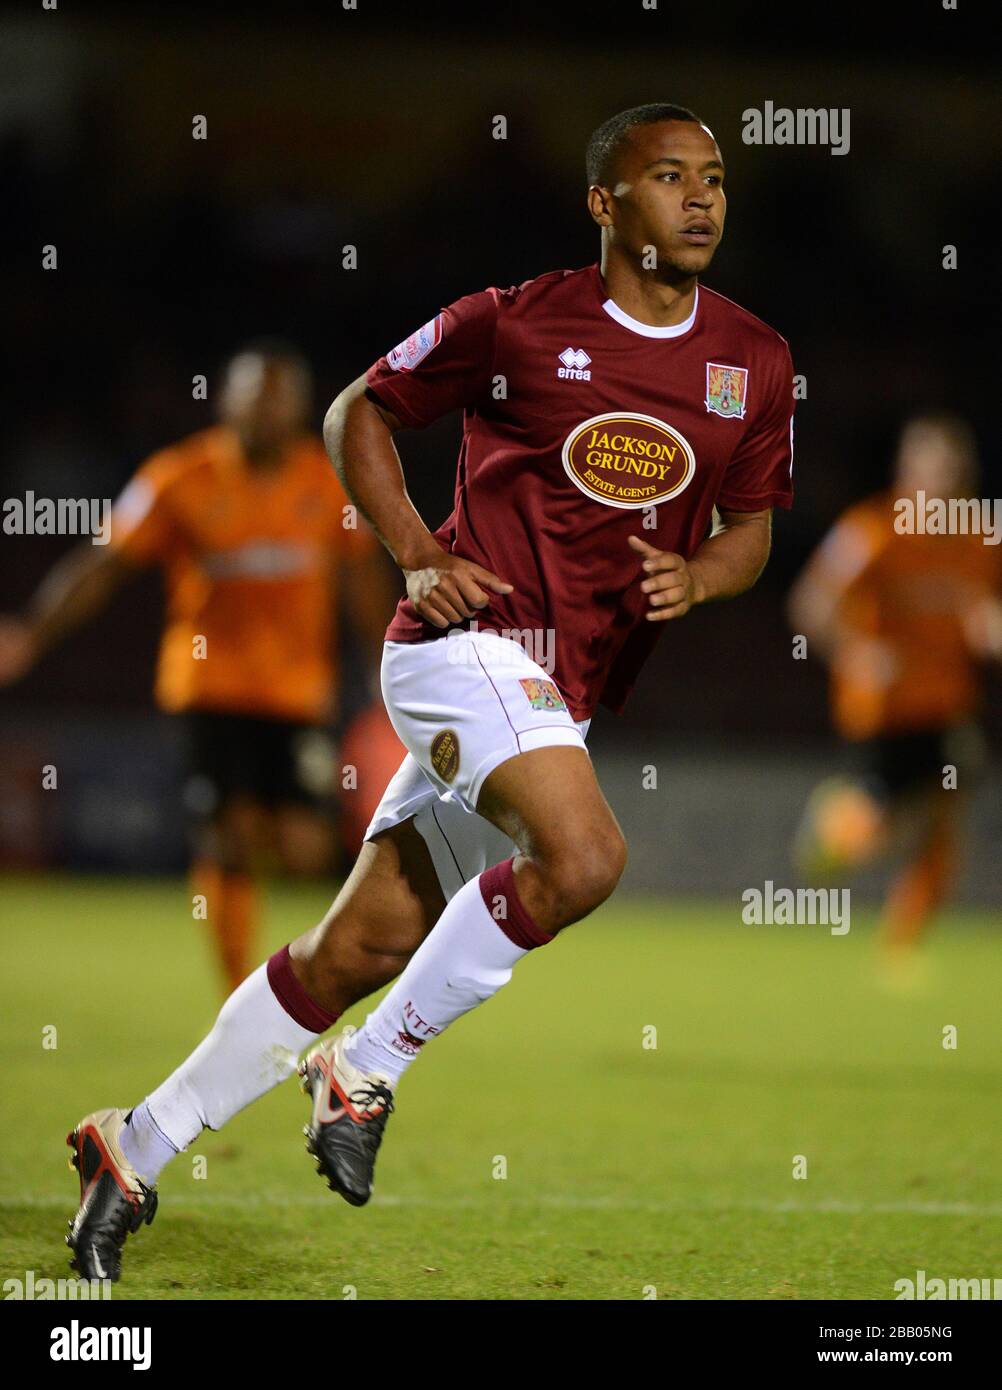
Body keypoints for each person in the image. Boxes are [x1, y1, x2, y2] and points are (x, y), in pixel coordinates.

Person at [61, 104, 796, 1282]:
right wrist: (413, 549)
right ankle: (368, 1068)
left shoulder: (754, 361)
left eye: (714, 178)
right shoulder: (513, 321)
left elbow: (754, 529)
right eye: (670, 179)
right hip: (463, 648)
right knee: (589, 858)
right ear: (607, 204)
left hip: (561, 695)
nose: (703, 199)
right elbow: (359, 410)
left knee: (354, 946)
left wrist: (703, 574)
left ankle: (131, 1143)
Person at [0, 343, 393, 993]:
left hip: (299, 694)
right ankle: (240, 987)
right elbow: (105, 564)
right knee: (232, 835)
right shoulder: (179, 477)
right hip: (209, 687)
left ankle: (293, 962)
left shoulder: (327, 481)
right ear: (226, 402)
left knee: (305, 848)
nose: (268, 412)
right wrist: (32, 634)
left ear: (300, 409)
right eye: (255, 397)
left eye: (281, 399)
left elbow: (363, 581)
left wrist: (388, 667)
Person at [788, 413, 1001, 963]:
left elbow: (979, 611)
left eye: (956, 468)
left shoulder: (978, 536)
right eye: (935, 465)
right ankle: (835, 830)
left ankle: (901, 947)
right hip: (881, 708)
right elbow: (811, 604)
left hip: (948, 704)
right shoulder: (870, 530)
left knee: (947, 813)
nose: (946, 479)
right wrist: (856, 651)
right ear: (907, 469)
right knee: (880, 826)